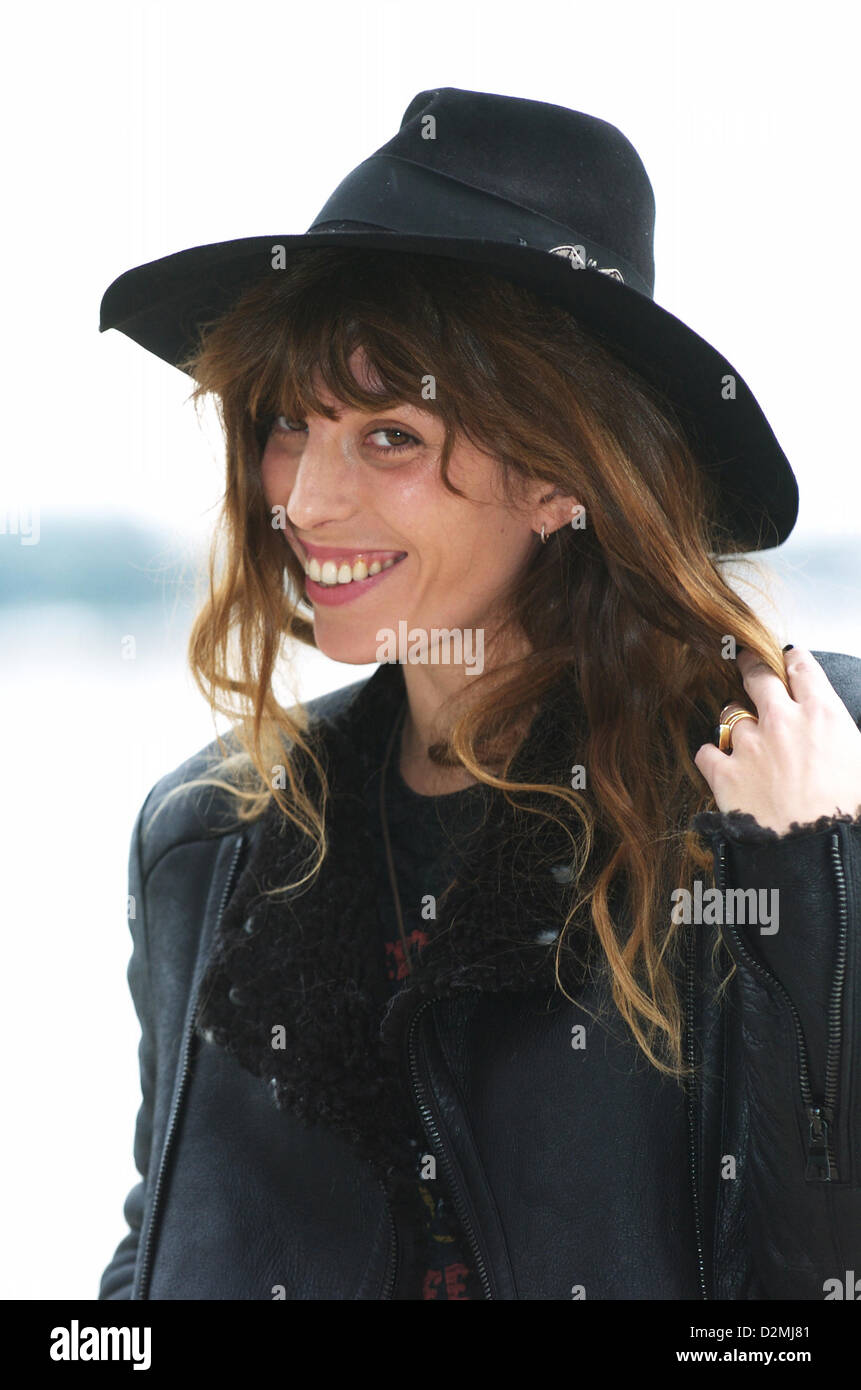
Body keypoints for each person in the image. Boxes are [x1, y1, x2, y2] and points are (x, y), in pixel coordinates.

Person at [97, 86, 861, 1301]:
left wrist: (807, 878)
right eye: (291, 424)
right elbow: (157, 1250)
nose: (304, 498)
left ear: (563, 473)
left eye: (390, 436)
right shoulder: (210, 838)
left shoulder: (803, 770)